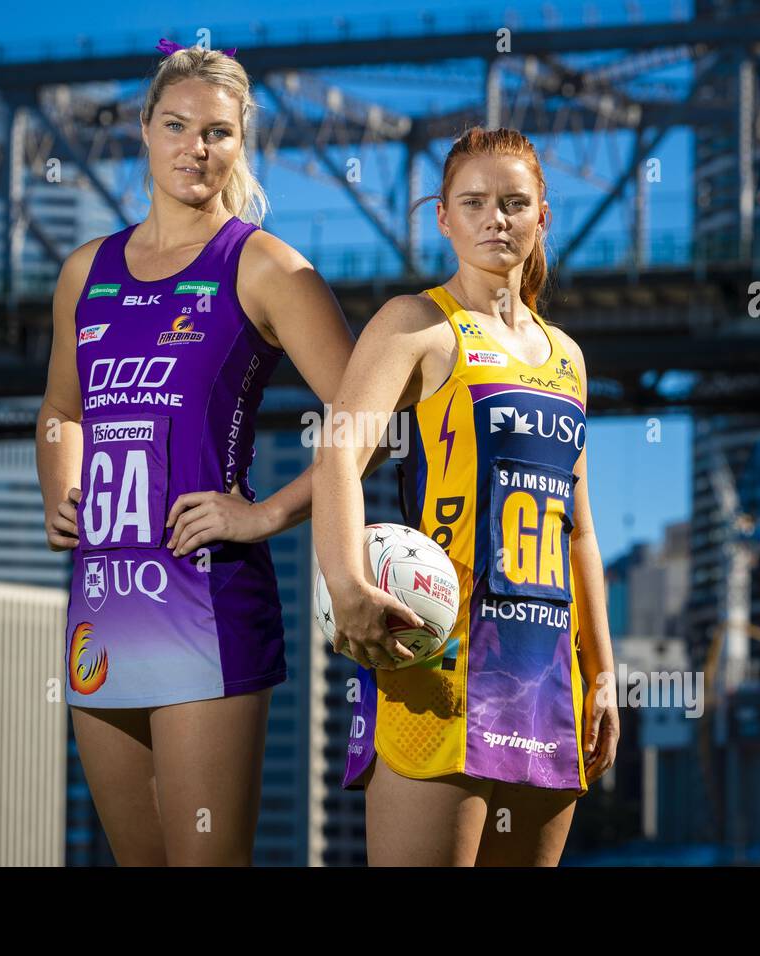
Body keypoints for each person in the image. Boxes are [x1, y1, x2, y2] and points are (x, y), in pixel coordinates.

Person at [35, 39, 359, 866]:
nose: (195, 148)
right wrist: (57, 487)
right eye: (176, 125)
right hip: (101, 605)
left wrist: (264, 515)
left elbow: (374, 422)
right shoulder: (87, 271)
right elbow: (62, 411)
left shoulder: (265, 266)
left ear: (242, 142)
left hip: (206, 609)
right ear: (144, 129)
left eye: (218, 132)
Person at [312, 126, 619, 866]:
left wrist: (603, 674)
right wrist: (347, 583)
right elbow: (338, 457)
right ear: (443, 217)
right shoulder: (414, 324)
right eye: (474, 203)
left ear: (543, 215)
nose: (496, 219)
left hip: (546, 677)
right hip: (438, 663)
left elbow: (579, 530)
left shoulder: (567, 357)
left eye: (514, 204)